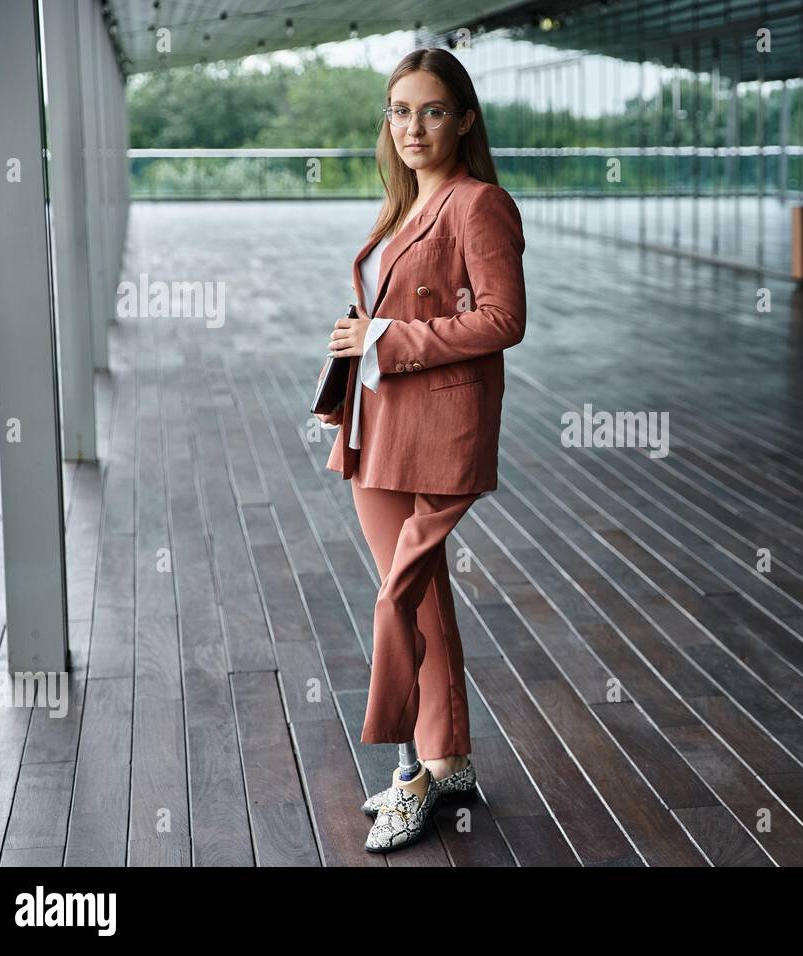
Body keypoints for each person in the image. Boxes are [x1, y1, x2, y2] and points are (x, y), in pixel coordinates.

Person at [313, 48, 526, 853]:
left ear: (464, 119)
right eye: (400, 110)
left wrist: (388, 337)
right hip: (376, 423)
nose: (412, 127)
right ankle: (450, 758)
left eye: (432, 110)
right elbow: (390, 310)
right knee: (423, 595)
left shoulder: (479, 205)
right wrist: (354, 353)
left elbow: (503, 319)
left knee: (398, 598)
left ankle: (415, 772)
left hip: (438, 431)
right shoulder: (404, 205)